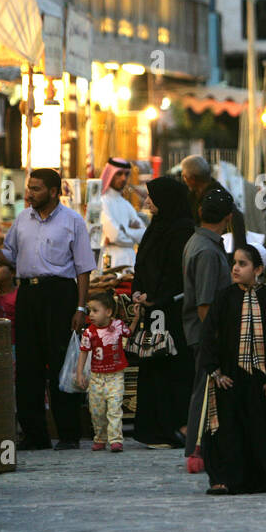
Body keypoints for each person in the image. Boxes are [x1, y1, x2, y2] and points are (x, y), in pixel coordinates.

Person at [0, 168, 96, 450]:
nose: (30, 193)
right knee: (28, 364)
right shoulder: (22, 220)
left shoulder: (72, 221)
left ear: (53, 191)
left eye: (37, 188)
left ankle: (68, 433)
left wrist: (80, 307)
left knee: (61, 360)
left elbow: (84, 268)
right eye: (29, 188)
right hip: (28, 293)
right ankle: (35, 434)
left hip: (60, 294)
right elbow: (10, 257)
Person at [197, 242, 266, 494]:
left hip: (260, 380)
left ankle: (256, 479)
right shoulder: (224, 297)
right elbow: (209, 336)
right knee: (224, 430)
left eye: (243, 264)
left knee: (257, 429)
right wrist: (214, 370)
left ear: (258, 269)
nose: (235, 269)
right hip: (227, 377)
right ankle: (222, 479)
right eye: (234, 263)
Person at [130, 176, 196, 448]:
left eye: (152, 197)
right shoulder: (156, 228)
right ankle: (152, 429)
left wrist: (155, 297)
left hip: (172, 312)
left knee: (173, 369)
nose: (147, 202)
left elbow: (176, 275)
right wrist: (138, 292)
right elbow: (143, 264)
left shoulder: (182, 231)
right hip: (152, 312)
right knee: (153, 365)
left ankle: (174, 429)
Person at [182, 186, 236, 464]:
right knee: (204, 390)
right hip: (205, 332)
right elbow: (204, 304)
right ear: (227, 218)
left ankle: (208, 448)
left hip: (205, 331)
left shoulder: (201, 243)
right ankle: (196, 449)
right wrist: (215, 340)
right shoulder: (206, 251)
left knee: (207, 390)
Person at [75, 290, 133, 453]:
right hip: (97, 377)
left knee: (115, 407)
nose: (91, 315)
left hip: (115, 375)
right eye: (89, 311)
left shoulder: (118, 326)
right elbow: (84, 352)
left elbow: (130, 333)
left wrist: (135, 319)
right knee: (97, 410)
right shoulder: (89, 332)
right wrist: (80, 373)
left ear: (108, 312)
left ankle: (116, 440)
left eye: (95, 310)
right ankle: (100, 437)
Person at [99, 158, 145, 270]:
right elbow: (115, 236)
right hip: (111, 261)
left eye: (126, 174)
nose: (123, 178)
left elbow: (143, 234)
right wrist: (131, 232)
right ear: (110, 174)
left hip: (131, 261)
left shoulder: (126, 204)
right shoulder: (102, 202)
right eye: (119, 174)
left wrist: (123, 230)